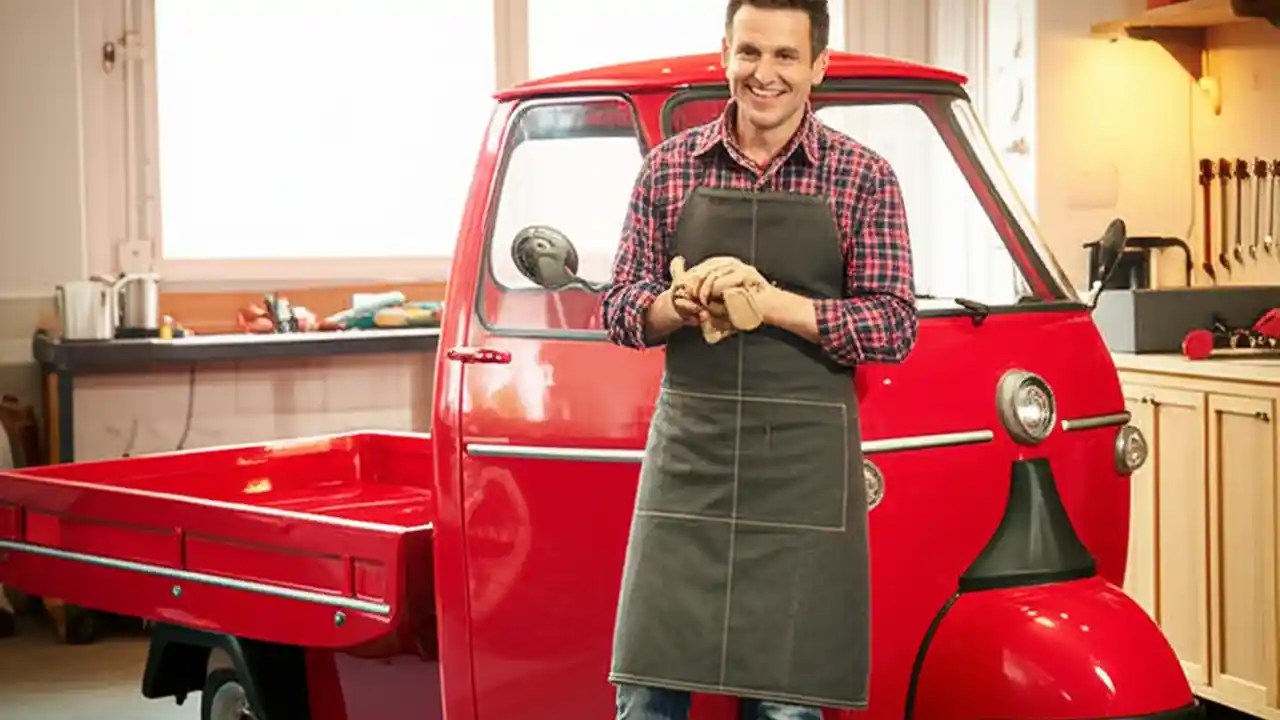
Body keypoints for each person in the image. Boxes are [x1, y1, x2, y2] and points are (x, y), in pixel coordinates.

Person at [599, 1, 918, 719]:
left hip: (800, 474)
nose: (763, 74)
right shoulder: (668, 169)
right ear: (724, 53)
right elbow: (618, 308)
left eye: (784, 56)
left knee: (785, 708)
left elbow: (894, 324)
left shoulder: (862, 177)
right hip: (691, 463)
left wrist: (768, 302)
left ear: (818, 67)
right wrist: (678, 304)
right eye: (749, 53)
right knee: (647, 695)